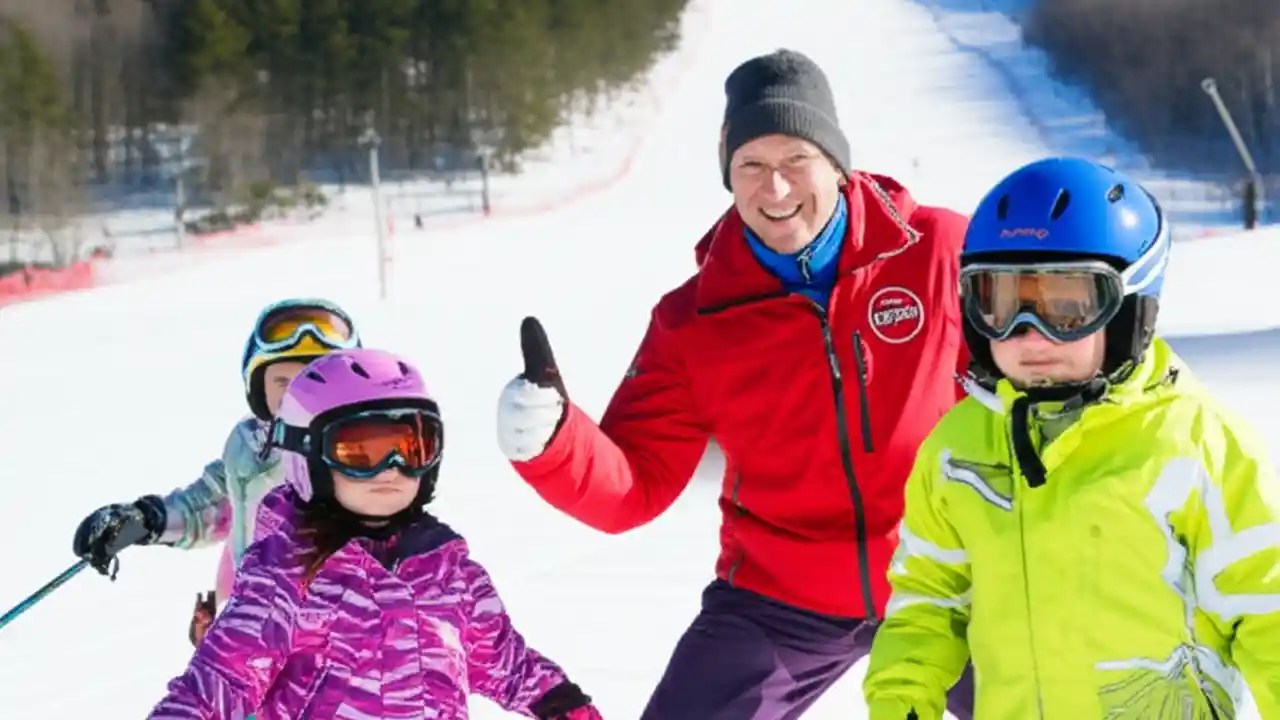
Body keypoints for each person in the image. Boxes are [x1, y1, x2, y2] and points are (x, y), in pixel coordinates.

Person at [496, 48, 974, 718]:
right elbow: (633, 484)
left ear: (835, 164)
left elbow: (1038, 366)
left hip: (952, 577)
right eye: (752, 165)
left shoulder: (941, 252)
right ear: (728, 173)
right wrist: (551, 442)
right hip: (783, 597)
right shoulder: (696, 320)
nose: (774, 189)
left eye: (794, 161)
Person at [863, 157, 1280, 718]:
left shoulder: (1199, 447)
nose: (1028, 333)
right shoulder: (957, 452)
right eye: (1002, 303)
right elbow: (928, 602)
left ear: (1131, 308)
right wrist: (900, 701)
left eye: (1066, 305)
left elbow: (1268, 612)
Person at [149, 349, 603, 720]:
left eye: (412, 448)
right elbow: (218, 683)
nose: (392, 470)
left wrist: (560, 703)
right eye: (360, 451)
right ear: (308, 455)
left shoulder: (447, 570)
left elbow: (503, 658)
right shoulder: (285, 575)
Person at [71, 298, 362, 644]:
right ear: (258, 391)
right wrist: (146, 520)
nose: (297, 395)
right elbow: (213, 504)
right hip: (250, 639)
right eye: (282, 382)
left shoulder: (365, 460)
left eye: (314, 381)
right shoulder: (251, 446)